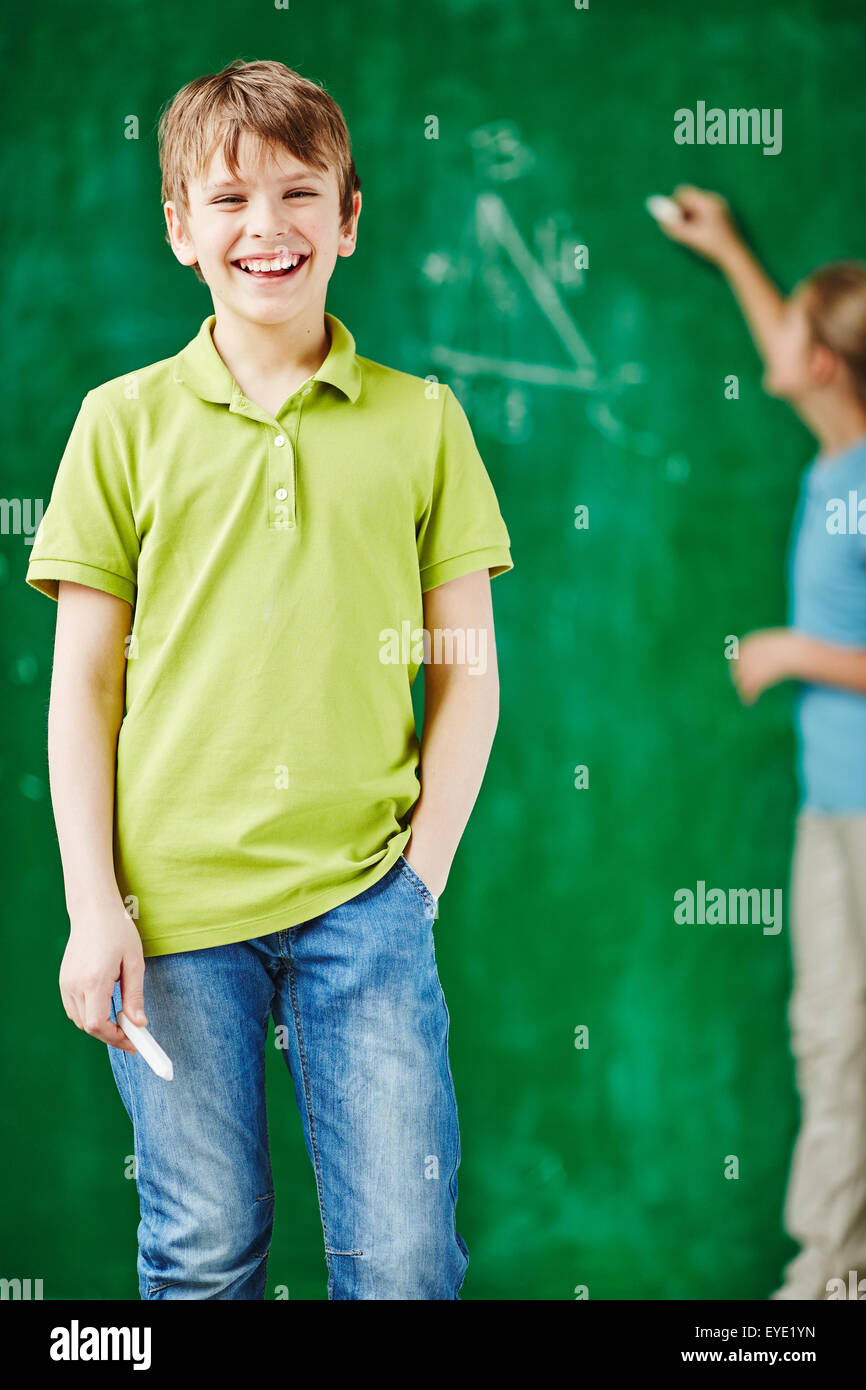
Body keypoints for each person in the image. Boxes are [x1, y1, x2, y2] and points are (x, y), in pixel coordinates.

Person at [25, 58, 513, 1300]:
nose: (268, 227)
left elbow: (468, 673)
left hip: (367, 907)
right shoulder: (118, 422)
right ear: (182, 229)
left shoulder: (423, 421)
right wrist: (96, 904)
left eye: (300, 195)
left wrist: (417, 883)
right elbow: (83, 684)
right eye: (230, 200)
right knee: (202, 1256)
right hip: (169, 918)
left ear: (349, 218)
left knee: (405, 1264)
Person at [656, 185, 866, 1299]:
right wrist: (730, 244)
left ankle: (822, 1282)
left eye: (793, 328)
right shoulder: (836, 461)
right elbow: (784, 344)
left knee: (844, 1050)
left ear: (823, 364)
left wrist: (793, 652)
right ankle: (833, 1277)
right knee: (828, 1039)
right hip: (829, 811)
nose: (774, 340)